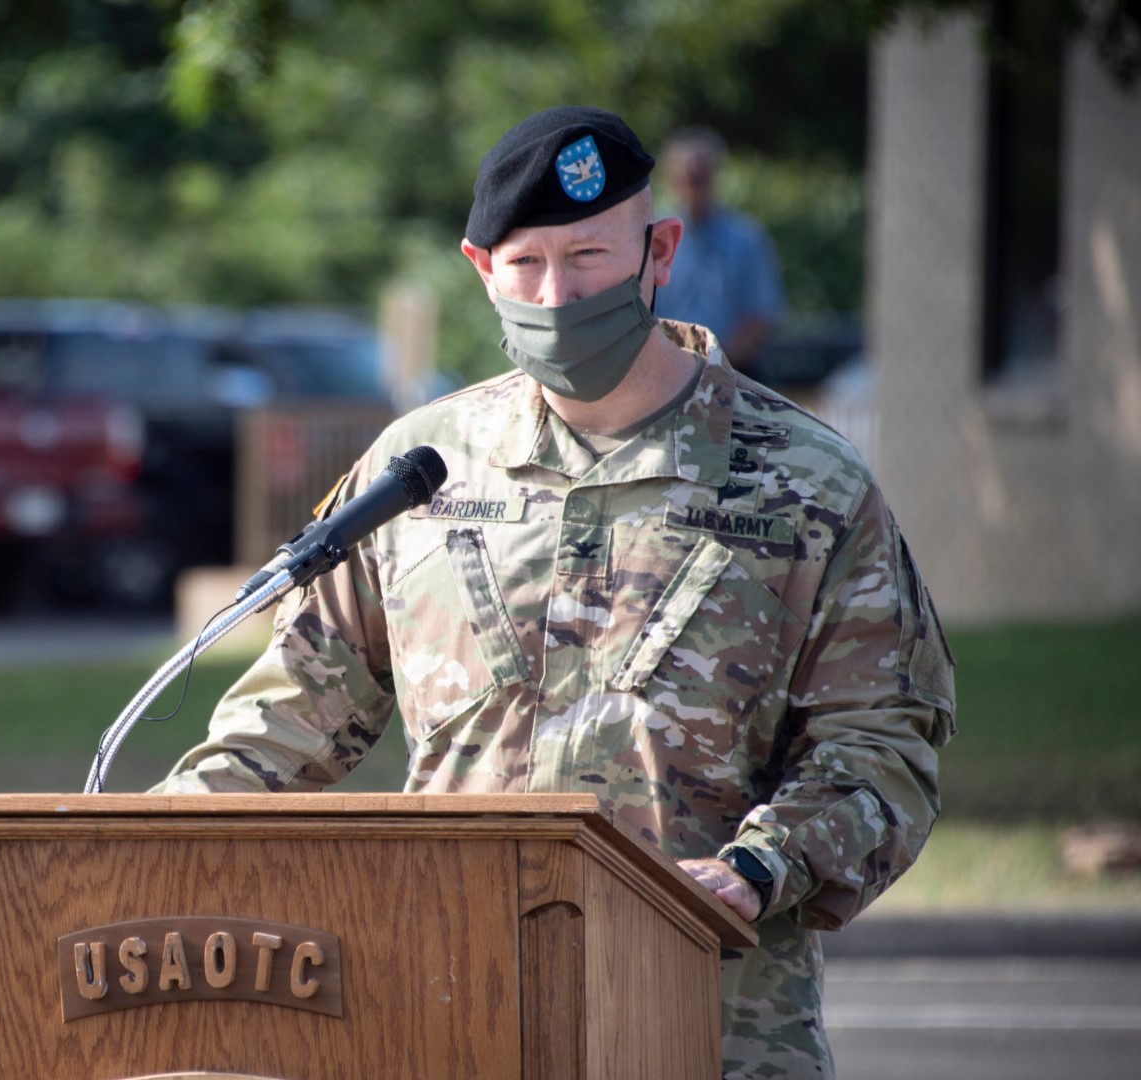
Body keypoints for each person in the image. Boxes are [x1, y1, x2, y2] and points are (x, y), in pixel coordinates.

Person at [152, 105, 954, 1079]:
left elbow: (883, 744)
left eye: (587, 258)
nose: (557, 295)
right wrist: (132, 853)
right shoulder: (420, 470)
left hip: (703, 1026)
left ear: (660, 251)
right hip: (446, 1019)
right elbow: (291, 718)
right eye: (525, 264)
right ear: (479, 268)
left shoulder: (807, 483)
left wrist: (761, 866)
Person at [659, 126, 785, 372]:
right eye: (688, 179)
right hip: (665, 373)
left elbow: (762, 316)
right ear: (670, 179)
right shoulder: (653, 240)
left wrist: (715, 367)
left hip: (736, 374)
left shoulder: (747, 238)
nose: (694, 189)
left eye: (700, 179)